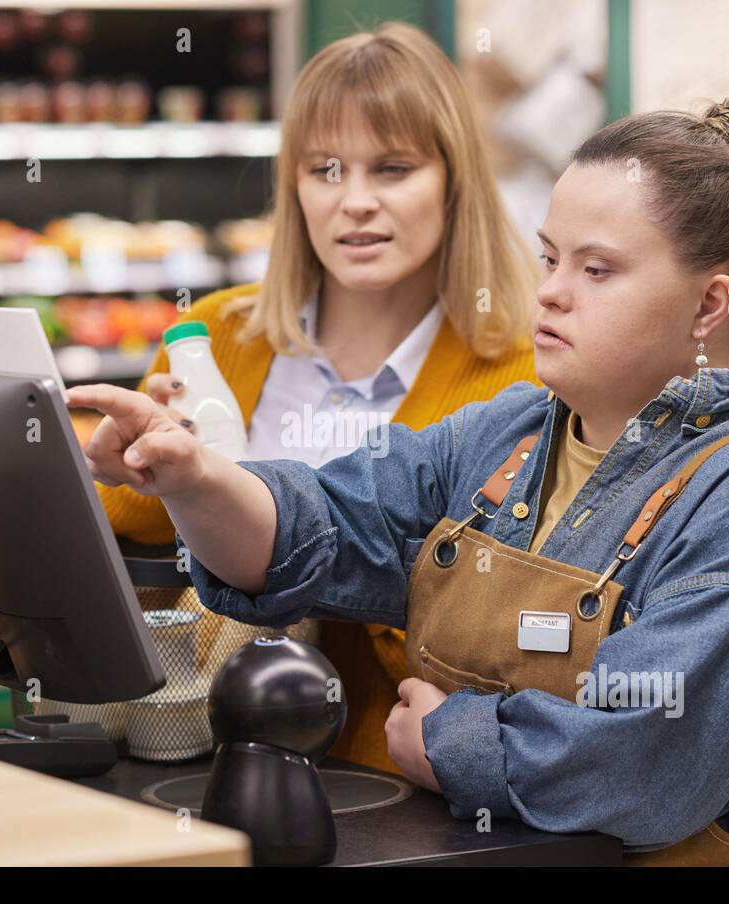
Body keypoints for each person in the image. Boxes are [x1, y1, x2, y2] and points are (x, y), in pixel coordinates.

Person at [68, 96, 729, 864]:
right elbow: (321, 526)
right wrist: (191, 477)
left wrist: (450, 742)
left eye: (597, 271)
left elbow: (643, 762)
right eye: (549, 258)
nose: (552, 294)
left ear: (710, 304)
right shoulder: (510, 435)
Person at [88, 22, 536, 770]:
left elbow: (489, 623)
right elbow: (133, 526)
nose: (354, 201)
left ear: (454, 180)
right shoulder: (215, 333)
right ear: (292, 187)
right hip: (199, 762)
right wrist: (122, 466)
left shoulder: (518, 374)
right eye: (325, 169)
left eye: (392, 168)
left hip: (394, 785)